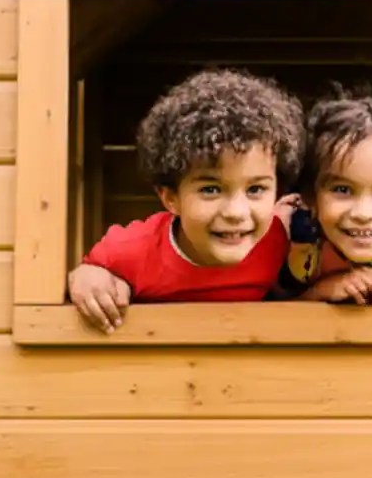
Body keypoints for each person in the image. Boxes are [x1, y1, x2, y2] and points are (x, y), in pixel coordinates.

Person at [67, 69, 305, 332]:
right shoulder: (133, 249)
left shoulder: (283, 238)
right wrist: (88, 278)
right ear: (171, 198)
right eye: (211, 190)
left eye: (256, 189)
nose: (236, 212)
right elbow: (90, 272)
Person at [275, 88, 372, 305]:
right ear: (310, 195)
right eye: (342, 190)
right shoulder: (285, 234)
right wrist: (318, 293)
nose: (363, 213)